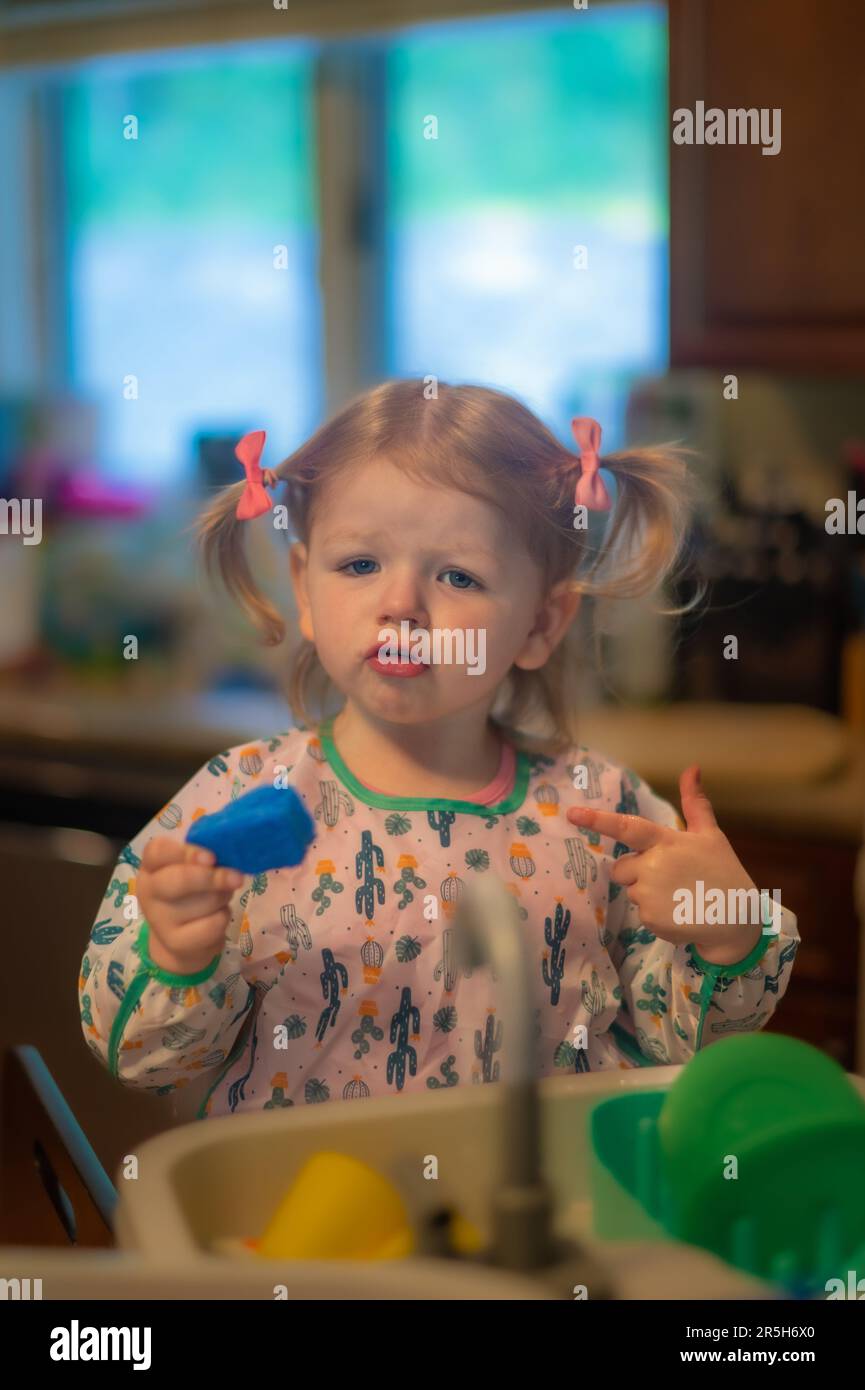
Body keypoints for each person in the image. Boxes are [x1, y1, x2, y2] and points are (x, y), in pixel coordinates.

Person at [78, 379, 798, 1117]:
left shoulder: (602, 811)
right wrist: (177, 957)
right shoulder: (233, 798)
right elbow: (142, 1062)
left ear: (541, 624)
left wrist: (727, 928)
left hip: (545, 1217)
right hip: (301, 1223)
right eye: (359, 564)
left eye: (457, 575)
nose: (400, 604)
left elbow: (681, 1046)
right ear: (305, 589)